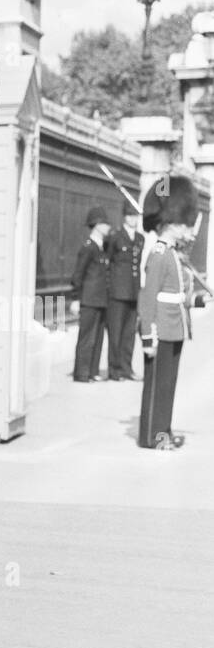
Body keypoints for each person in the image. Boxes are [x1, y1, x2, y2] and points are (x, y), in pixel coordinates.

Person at [137, 174, 200, 450]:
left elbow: (179, 295)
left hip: (174, 327)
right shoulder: (160, 254)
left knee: (168, 385)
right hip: (160, 329)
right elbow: (148, 297)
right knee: (156, 387)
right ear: (171, 223)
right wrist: (147, 336)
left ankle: (164, 429)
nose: (187, 230)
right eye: (183, 224)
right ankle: (151, 435)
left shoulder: (173, 254)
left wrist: (199, 301)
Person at [70, 208, 111, 381]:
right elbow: (78, 274)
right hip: (88, 299)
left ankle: (92, 371)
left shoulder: (102, 246)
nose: (108, 227)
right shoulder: (88, 247)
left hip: (100, 299)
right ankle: (81, 373)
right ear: (97, 225)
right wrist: (76, 298)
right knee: (86, 338)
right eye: (105, 223)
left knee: (98, 338)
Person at [106, 208, 144, 380]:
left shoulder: (139, 238)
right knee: (115, 332)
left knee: (129, 333)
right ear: (124, 217)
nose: (133, 219)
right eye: (130, 216)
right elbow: (108, 262)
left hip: (133, 292)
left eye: (135, 216)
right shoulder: (115, 237)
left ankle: (126, 368)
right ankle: (114, 370)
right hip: (117, 292)